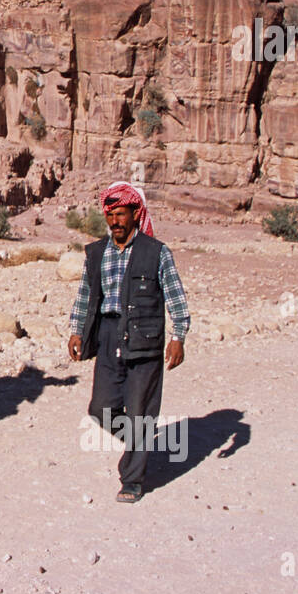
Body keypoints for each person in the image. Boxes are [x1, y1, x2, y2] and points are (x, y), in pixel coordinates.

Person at [67, 182, 190, 504]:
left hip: (145, 339)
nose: (114, 222)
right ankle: (140, 443)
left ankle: (132, 478)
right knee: (101, 408)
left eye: (120, 215)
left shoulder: (157, 252)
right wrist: (77, 330)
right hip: (107, 336)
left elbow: (176, 297)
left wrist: (178, 337)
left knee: (139, 413)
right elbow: (86, 295)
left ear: (136, 214)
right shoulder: (97, 253)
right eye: (110, 216)